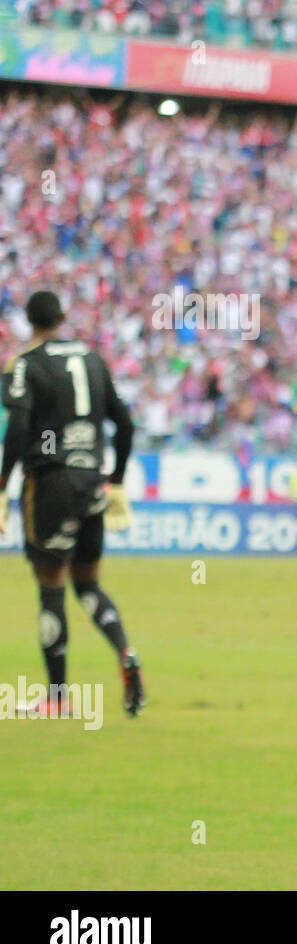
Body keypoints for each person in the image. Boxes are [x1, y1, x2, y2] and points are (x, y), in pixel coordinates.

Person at [0, 291, 144, 717]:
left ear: (29, 321)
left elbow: (20, 426)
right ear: (63, 317)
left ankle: (59, 697)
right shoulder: (93, 359)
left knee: (51, 583)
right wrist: (115, 478)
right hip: (91, 482)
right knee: (88, 584)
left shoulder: (26, 364)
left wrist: (2, 482)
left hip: (50, 483)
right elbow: (126, 423)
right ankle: (126, 651)